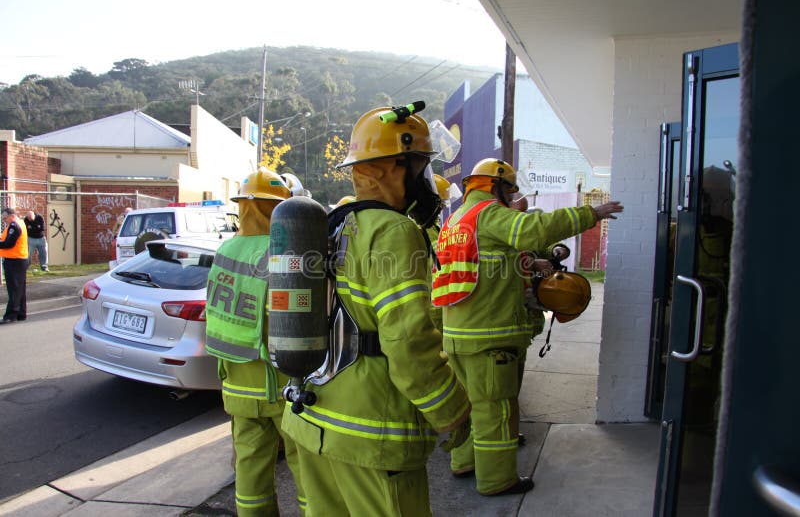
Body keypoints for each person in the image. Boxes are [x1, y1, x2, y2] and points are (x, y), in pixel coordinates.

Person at [282, 105, 471, 516]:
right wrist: (452, 411)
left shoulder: (335, 223)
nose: (426, 180)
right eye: (421, 166)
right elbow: (408, 343)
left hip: (311, 420)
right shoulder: (393, 230)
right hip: (370, 434)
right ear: (391, 167)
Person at [432, 158, 623, 496]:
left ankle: (464, 462)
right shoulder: (489, 214)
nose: (512, 196)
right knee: (496, 410)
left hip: (459, 333)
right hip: (489, 335)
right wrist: (591, 214)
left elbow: (487, 261)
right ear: (497, 187)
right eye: (510, 189)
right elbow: (532, 230)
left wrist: (526, 262)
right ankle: (496, 480)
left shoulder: (457, 220)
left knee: (470, 407)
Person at [204, 168, 305, 516]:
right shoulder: (282, 252)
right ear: (277, 209)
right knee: (305, 466)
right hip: (279, 384)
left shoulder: (224, 250)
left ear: (243, 207)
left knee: (249, 469)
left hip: (235, 382)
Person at [0, 207, 29, 324]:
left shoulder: (14, 225)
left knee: (14, 289)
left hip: (14, 261)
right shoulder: (20, 223)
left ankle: (11, 315)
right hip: (19, 259)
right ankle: (21, 313)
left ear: (11, 216)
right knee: (20, 288)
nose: (4, 221)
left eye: (5, 218)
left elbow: (8, 244)